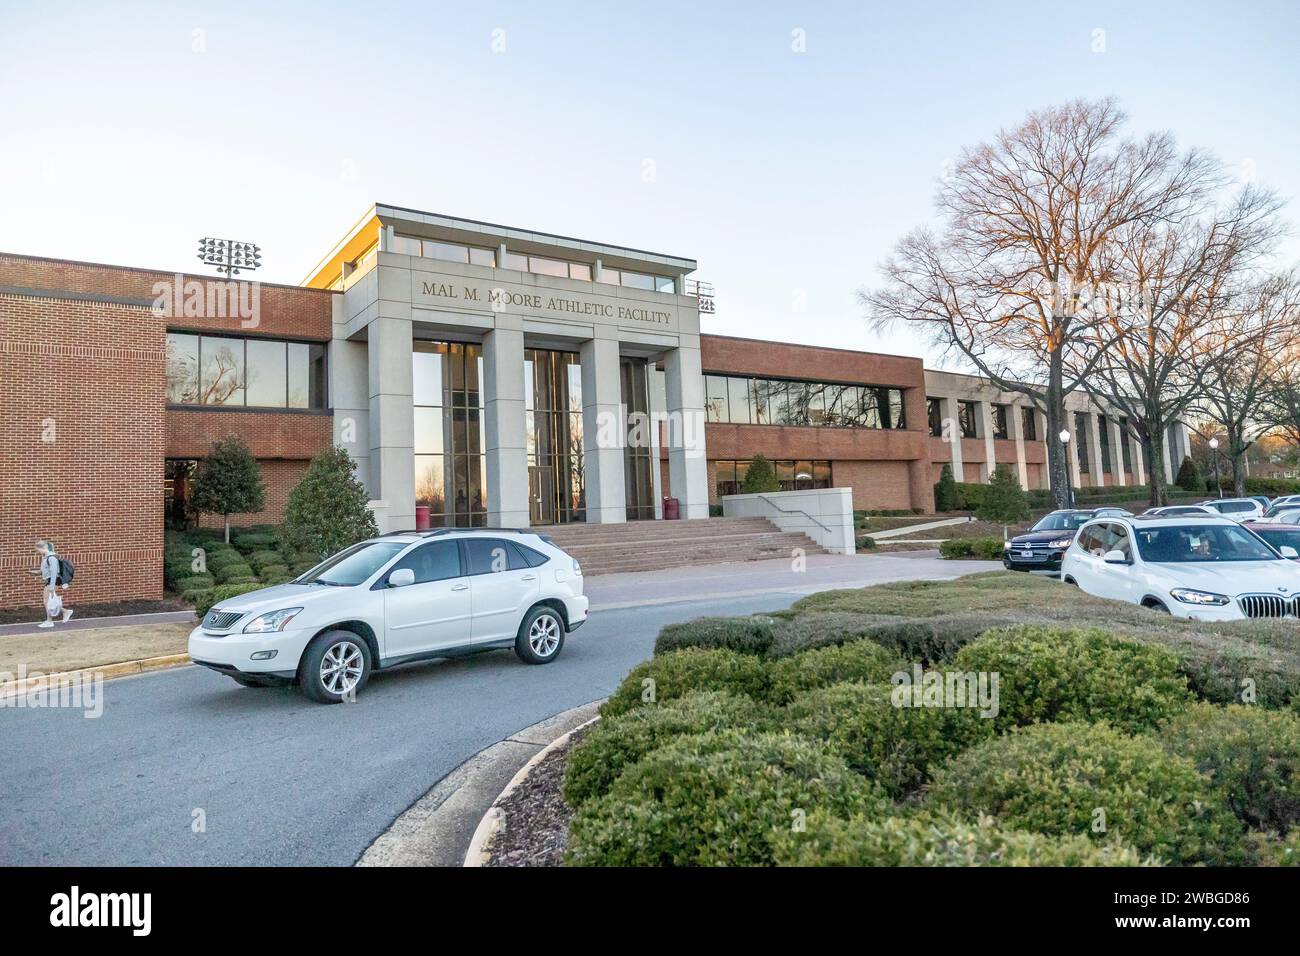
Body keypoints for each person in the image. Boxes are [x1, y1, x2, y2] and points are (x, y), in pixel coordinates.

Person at [30, 540, 73, 628]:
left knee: (47, 601)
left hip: (53, 581)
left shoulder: (51, 558)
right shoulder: (45, 557)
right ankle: (64, 612)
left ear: (42, 548)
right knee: (48, 601)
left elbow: (54, 573)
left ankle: (50, 621)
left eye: (38, 550)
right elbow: (45, 571)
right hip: (49, 581)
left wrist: (52, 586)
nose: (37, 552)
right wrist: (37, 573)